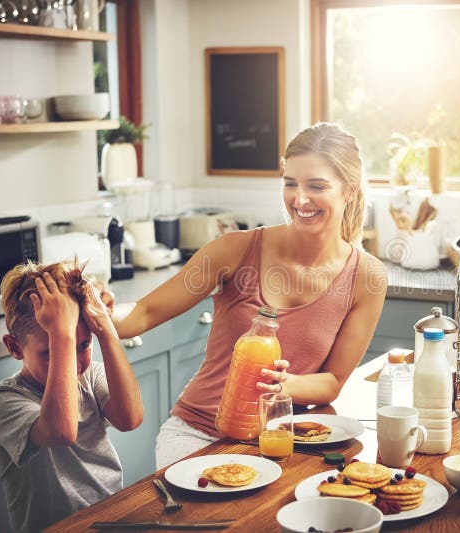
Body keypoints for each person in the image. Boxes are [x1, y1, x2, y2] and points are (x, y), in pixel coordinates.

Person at [114, 122, 388, 468]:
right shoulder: (235, 249)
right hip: (197, 437)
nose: (300, 199)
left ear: (349, 190)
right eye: (290, 184)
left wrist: (286, 384)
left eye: (316, 186)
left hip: (281, 441)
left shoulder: (367, 276)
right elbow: (143, 312)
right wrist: (97, 309)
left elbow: (332, 381)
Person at [0, 261, 143, 533]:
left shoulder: (89, 376)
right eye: (52, 350)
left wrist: (104, 326)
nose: (75, 362)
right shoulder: (3, 400)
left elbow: (130, 418)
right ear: (14, 347)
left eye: (84, 345)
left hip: (110, 519)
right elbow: (61, 431)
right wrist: (62, 333)